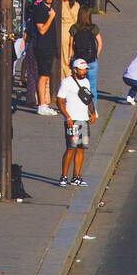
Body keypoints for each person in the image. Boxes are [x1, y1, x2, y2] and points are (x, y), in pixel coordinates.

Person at [56, 58, 96, 187]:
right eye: (81, 69)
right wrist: (67, 117)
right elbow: (60, 101)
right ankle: (63, 176)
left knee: (81, 148)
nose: (84, 71)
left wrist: (93, 112)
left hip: (83, 119)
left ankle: (76, 177)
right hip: (72, 120)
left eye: (85, 69)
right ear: (75, 70)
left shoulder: (86, 82)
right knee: (71, 148)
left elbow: (88, 98)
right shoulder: (67, 82)